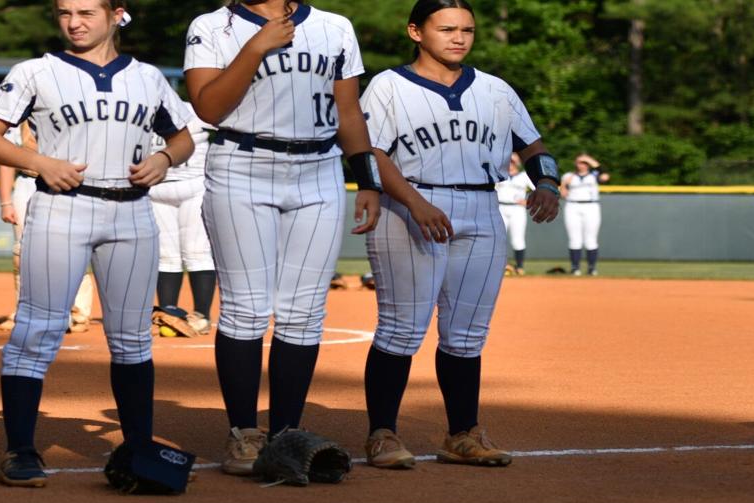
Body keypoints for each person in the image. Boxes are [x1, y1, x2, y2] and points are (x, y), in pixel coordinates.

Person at [0, 0, 194, 488]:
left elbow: (183, 139)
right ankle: (21, 450)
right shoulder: (35, 71)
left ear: (117, 14)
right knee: (36, 330)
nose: (74, 22)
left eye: (87, 12)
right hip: (60, 206)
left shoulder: (148, 77)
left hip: (132, 210)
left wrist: (164, 158)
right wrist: (37, 162)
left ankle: (138, 447)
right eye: (65, 12)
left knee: (132, 338)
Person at [358, 0, 559, 468]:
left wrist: (546, 182)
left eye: (467, 29)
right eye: (446, 28)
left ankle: (462, 434)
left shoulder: (495, 89)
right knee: (402, 328)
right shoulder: (388, 86)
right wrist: (414, 202)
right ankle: (382, 434)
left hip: (481, 206)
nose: (459, 37)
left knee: (467, 335)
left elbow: (532, 145)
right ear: (415, 32)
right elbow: (372, 153)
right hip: (410, 205)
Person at [184, 0, 382, 476]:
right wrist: (255, 46)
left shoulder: (335, 27)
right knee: (247, 306)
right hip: (242, 162)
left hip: (318, 169)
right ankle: (243, 433)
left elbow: (349, 112)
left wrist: (368, 179)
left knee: (305, 311)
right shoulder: (212, 26)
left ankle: (287, 432)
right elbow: (208, 106)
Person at [0, 119, 97, 335]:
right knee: (22, 250)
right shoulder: (20, 117)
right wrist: (5, 201)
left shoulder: (75, 109)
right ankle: (23, 310)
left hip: (68, 181)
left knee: (72, 246)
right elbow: (5, 159)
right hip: (28, 181)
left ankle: (78, 311)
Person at [147, 99, 215, 337]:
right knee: (166, 255)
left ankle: (202, 316)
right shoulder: (140, 107)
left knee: (196, 251)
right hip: (156, 188)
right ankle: (168, 312)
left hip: (194, 186)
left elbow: (227, 124)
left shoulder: (193, 108)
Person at [560, 152, 608, 275]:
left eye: (585, 163)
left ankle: (592, 268)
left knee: (591, 239)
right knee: (574, 238)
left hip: (591, 206)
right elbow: (563, 194)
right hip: (572, 206)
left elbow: (605, 177)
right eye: (580, 162)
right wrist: (565, 185)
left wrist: (591, 161)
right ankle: (575, 268)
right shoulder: (569, 176)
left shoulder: (594, 175)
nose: (582, 165)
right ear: (575, 163)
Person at [494, 151, 533, 276]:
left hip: (517, 209)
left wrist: (528, 201)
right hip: (500, 207)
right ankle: (502, 266)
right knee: (500, 239)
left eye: (513, 162)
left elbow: (538, 189)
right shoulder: (498, 174)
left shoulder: (524, 176)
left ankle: (520, 267)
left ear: (518, 163)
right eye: (509, 161)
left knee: (518, 239)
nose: (511, 164)